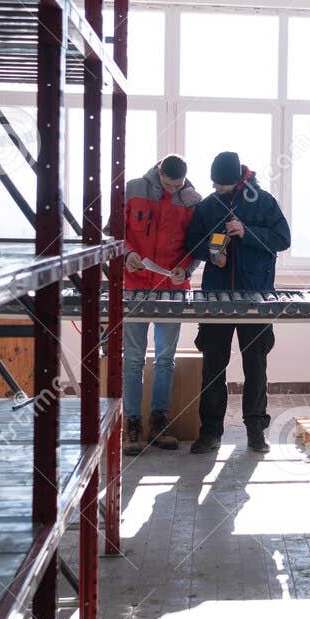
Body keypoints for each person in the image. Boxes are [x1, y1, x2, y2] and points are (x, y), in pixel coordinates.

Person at [183, 150, 291, 454]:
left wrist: (247, 232)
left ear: (237, 180)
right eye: (214, 183)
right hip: (216, 297)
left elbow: (282, 239)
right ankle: (210, 433)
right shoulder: (208, 206)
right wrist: (211, 253)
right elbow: (192, 243)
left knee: (255, 365)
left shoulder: (264, 202)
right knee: (213, 366)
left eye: (221, 184)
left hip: (256, 297)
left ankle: (256, 432)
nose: (216, 188)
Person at [121, 154, 200, 456]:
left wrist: (186, 270)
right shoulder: (133, 189)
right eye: (168, 184)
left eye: (178, 185)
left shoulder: (191, 200)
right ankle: (132, 425)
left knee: (166, 359)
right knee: (133, 359)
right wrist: (127, 254)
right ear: (158, 172)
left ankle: (159, 423)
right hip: (135, 286)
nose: (173, 190)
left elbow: (197, 244)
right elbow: (113, 233)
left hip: (172, 288)